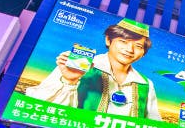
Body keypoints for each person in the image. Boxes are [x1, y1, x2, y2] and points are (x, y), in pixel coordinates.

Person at [25, 19, 161, 120]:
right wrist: (68, 80)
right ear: (108, 40)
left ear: (143, 52)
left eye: (138, 46)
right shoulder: (78, 64)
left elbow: (154, 124)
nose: (129, 50)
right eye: (123, 42)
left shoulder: (146, 83)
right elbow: (41, 111)